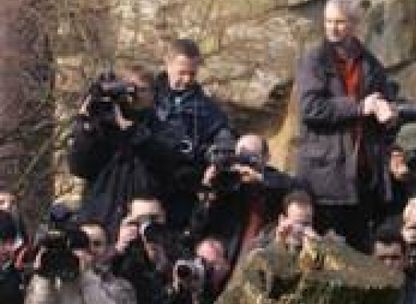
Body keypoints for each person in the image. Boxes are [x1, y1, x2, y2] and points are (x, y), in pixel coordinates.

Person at [294, 0, 399, 251]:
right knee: (328, 256)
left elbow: (383, 105)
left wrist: (388, 115)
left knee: (361, 255)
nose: (332, 28)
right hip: (326, 178)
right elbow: (310, 109)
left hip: (362, 178)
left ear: (354, 24)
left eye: (339, 22)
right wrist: (359, 106)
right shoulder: (315, 60)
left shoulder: (371, 64)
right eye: (328, 21)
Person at [69, 64, 193, 239]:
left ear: (153, 95)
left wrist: (131, 130)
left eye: (140, 90)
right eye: (127, 89)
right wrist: (86, 127)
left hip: (140, 230)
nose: (132, 96)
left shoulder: (164, 130)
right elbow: (78, 167)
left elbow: (165, 162)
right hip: (99, 228)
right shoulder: (104, 128)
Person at [153, 38, 233, 230]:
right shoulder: (148, 96)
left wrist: (221, 148)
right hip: (149, 185)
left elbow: (222, 134)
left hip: (185, 191)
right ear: (167, 64)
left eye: (192, 73)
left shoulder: (208, 108)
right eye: (182, 73)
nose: (188, 79)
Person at [192, 133, 296, 268]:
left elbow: (296, 187)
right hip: (228, 258)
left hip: (261, 256)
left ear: (266, 158)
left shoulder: (274, 181)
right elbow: (197, 228)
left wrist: (260, 179)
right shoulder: (227, 181)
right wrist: (207, 190)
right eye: (240, 157)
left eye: (251, 158)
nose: (244, 163)